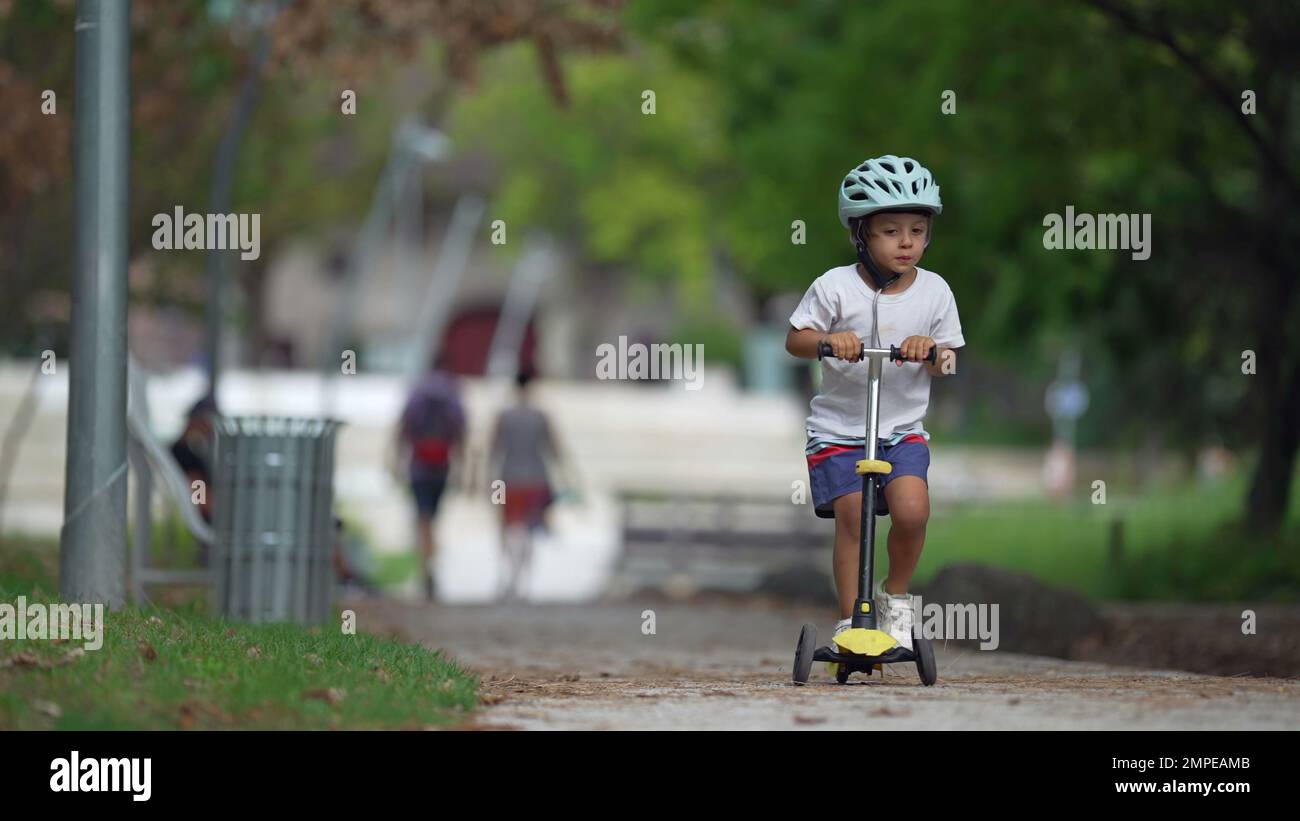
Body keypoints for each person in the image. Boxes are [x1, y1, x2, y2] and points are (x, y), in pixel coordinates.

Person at [785, 155, 965, 651]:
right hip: (839, 430)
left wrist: (930, 351)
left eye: (917, 230)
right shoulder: (834, 286)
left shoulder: (935, 293)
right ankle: (851, 622)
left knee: (912, 511)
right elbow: (794, 341)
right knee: (853, 517)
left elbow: (949, 362)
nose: (907, 242)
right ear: (861, 235)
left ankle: (896, 598)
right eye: (891, 230)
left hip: (902, 429)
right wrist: (829, 339)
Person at [395, 358, 466, 600]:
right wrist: (463, 469)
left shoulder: (417, 392)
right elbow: (461, 433)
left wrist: (395, 461)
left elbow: (402, 428)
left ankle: (426, 567)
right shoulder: (452, 393)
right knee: (433, 518)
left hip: (419, 465)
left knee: (422, 518)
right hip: (442, 465)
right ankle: (431, 560)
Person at [489, 370, 560, 602]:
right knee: (529, 530)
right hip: (535, 479)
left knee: (506, 528)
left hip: (505, 479)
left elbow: (493, 450)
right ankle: (523, 581)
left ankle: (506, 574)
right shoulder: (541, 416)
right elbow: (554, 450)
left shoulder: (503, 415)